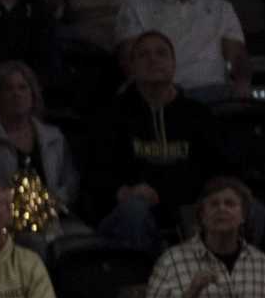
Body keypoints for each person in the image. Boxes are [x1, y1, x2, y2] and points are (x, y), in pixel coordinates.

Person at [86, 30, 223, 252]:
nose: (153, 59)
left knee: (245, 207)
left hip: (190, 207)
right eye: (143, 55)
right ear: (132, 67)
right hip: (134, 212)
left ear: (174, 64)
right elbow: (96, 175)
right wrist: (123, 192)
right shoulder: (111, 115)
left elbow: (216, 169)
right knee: (134, 211)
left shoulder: (199, 115)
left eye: (161, 53)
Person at [113, 0, 250, 101]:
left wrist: (242, 82)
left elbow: (237, 57)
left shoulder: (221, 8)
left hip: (214, 94)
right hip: (164, 97)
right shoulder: (135, 6)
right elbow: (130, 61)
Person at [0, 59, 78, 239]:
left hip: (55, 217)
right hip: (8, 223)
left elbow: (70, 181)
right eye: (8, 89)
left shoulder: (53, 137)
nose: (16, 94)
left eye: (22, 88)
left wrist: (52, 203)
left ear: (33, 94)